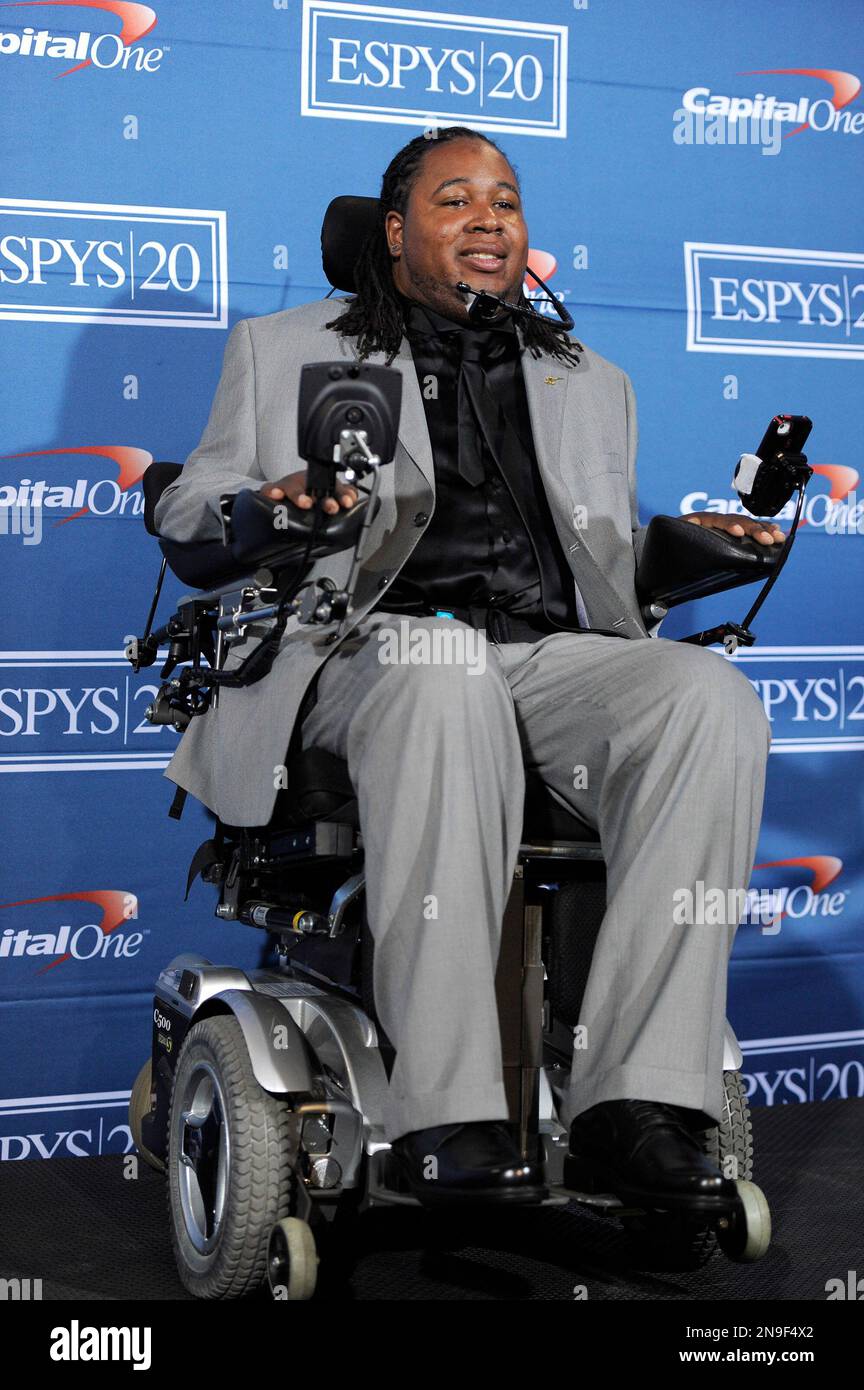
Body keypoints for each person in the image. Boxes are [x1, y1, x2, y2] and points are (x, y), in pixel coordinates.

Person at [154, 126, 782, 1209]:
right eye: (457, 201)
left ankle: (634, 1100)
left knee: (707, 696)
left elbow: (610, 572)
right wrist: (272, 508)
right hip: (362, 654)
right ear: (394, 234)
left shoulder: (587, 379)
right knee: (442, 657)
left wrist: (700, 547)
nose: (490, 219)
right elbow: (185, 509)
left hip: (542, 658)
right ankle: (444, 1108)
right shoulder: (287, 346)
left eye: (506, 201)